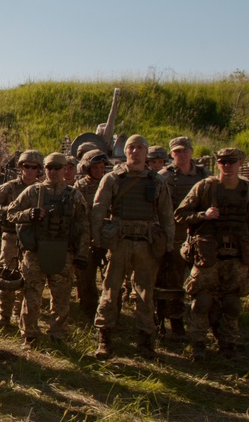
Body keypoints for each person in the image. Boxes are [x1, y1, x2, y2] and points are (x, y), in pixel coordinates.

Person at [91, 134, 174, 360]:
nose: (135, 151)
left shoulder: (157, 181)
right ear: (125, 151)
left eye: (140, 148)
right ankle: (105, 338)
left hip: (146, 244)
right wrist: (98, 241)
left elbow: (167, 215)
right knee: (110, 290)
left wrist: (168, 245)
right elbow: (99, 209)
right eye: (131, 147)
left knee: (145, 294)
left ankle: (145, 340)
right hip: (119, 242)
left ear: (146, 152)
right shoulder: (112, 179)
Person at [173, 147, 249, 361]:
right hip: (207, 255)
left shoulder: (246, 190)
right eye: (223, 162)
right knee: (202, 301)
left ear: (240, 163)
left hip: (236, 257)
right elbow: (180, 214)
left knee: (233, 303)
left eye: (232, 162)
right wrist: (202, 215)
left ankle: (228, 345)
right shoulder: (205, 187)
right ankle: (198, 345)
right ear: (218, 164)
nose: (228, 166)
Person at [7, 153, 89, 347]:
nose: (52, 172)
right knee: (32, 295)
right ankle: (30, 335)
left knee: (61, 296)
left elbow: (83, 225)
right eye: (49, 168)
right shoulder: (32, 192)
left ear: (65, 170)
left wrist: (82, 253)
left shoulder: (74, 195)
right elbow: (11, 214)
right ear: (44, 170)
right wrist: (29, 214)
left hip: (63, 252)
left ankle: (58, 334)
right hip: (35, 253)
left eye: (57, 168)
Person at [155, 136, 209, 338]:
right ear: (172, 154)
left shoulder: (204, 176)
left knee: (202, 282)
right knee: (171, 282)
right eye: (177, 151)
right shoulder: (164, 177)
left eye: (185, 150)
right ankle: (172, 320)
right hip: (175, 236)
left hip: (201, 236)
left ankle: (201, 323)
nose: (182, 154)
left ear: (191, 151)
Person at [0, 150, 44, 328]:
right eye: (26, 166)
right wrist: (12, 210)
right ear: (20, 167)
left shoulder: (42, 190)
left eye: (34, 167)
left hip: (33, 240)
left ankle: (20, 314)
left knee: (29, 279)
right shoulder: (8, 188)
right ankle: (4, 316)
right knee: (7, 276)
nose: (29, 171)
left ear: (39, 169)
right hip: (11, 237)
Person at [75, 149, 110, 321]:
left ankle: (110, 312)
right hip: (86, 239)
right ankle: (87, 311)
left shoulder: (111, 183)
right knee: (85, 278)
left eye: (102, 167)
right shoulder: (80, 186)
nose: (99, 171)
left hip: (108, 238)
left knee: (110, 278)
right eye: (95, 167)